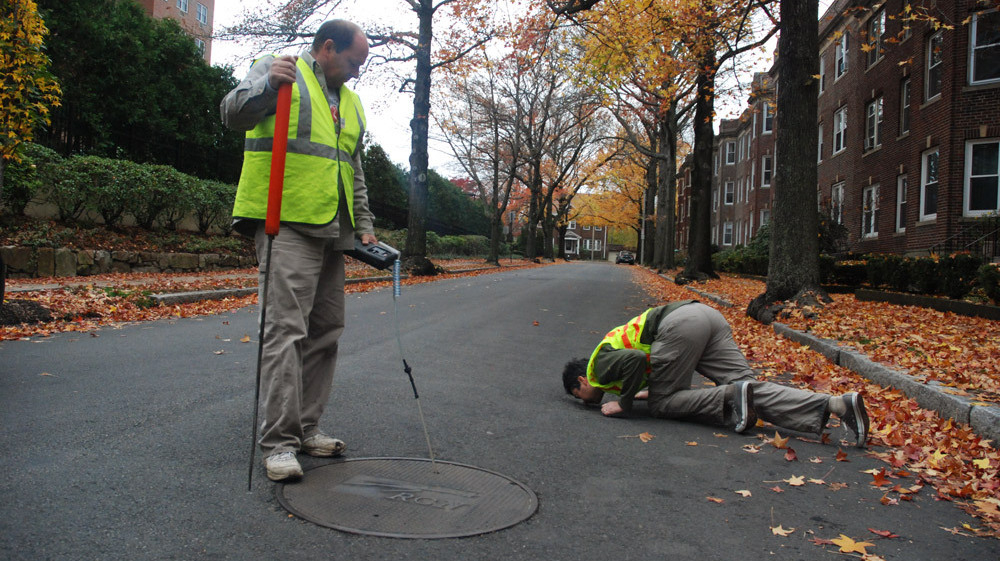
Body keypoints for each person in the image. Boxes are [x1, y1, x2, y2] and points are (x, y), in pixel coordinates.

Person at [220, 20, 377, 481]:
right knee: (285, 331)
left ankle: (307, 428)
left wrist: (364, 225)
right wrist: (269, 86)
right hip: (285, 221)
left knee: (326, 331)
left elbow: (353, 168)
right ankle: (279, 444)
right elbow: (231, 113)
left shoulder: (350, 103)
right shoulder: (279, 68)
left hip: (333, 230)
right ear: (328, 48)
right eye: (353, 62)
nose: (357, 72)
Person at [562, 300, 870, 447]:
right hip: (707, 316)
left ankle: (731, 396)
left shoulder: (598, 367)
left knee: (662, 404)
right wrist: (645, 389)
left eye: (580, 395)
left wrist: (625, 403)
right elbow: (646, 366)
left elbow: (633, 359)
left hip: (679, 325)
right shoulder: (610, 365)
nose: (586, 400)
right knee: (748, 388)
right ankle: (836, 405)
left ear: (581, 380)